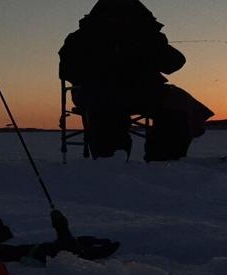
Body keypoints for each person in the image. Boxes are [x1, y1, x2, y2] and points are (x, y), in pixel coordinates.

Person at [59, 0, 214, 161]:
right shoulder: (80, 38)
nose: (119, 20)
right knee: (106, 108)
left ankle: (164, 163)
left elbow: (174, 63)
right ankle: (111, 163)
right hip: (98, 93)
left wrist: (151, 48)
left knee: (177, 104)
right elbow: (67, 71)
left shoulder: (146, 36)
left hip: (143, 92)